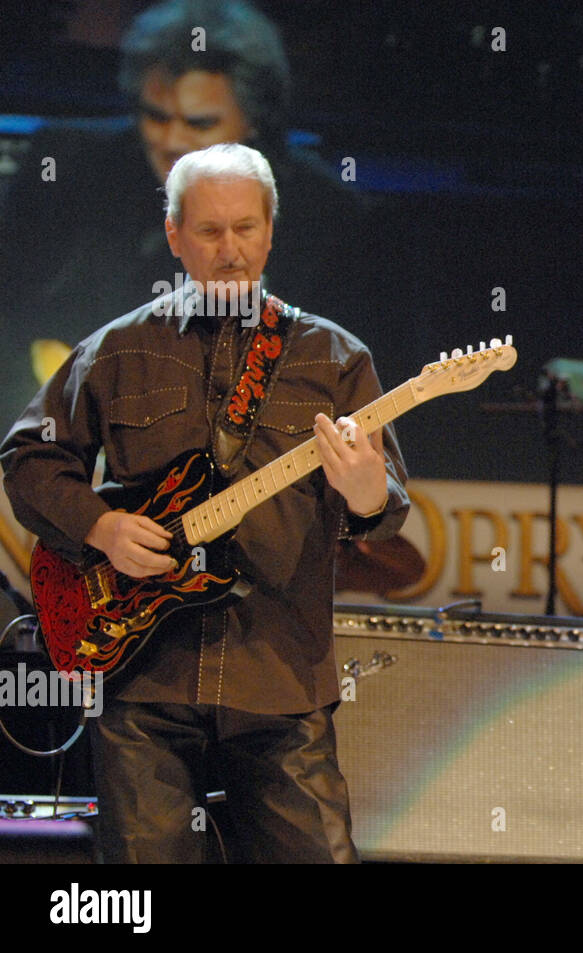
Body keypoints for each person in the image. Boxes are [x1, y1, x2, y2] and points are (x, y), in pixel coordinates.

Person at [0, 142, 409, 863]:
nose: (230, 251)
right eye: (210, 231)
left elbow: (387, 506)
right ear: (173, 236)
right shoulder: (118, 350)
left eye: (246, 229)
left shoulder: (336, 358)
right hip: (144, 681)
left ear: (271, 230)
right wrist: (100, 526)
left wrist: (367, 491)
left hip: (281, 679)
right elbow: (29, 458)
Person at [0, 0, 371, 429]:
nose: (174, 140)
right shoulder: (67, 166)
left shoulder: (327, 211)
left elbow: (335, 379)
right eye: (156, 117)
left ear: (253, 120)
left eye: (200, 123)